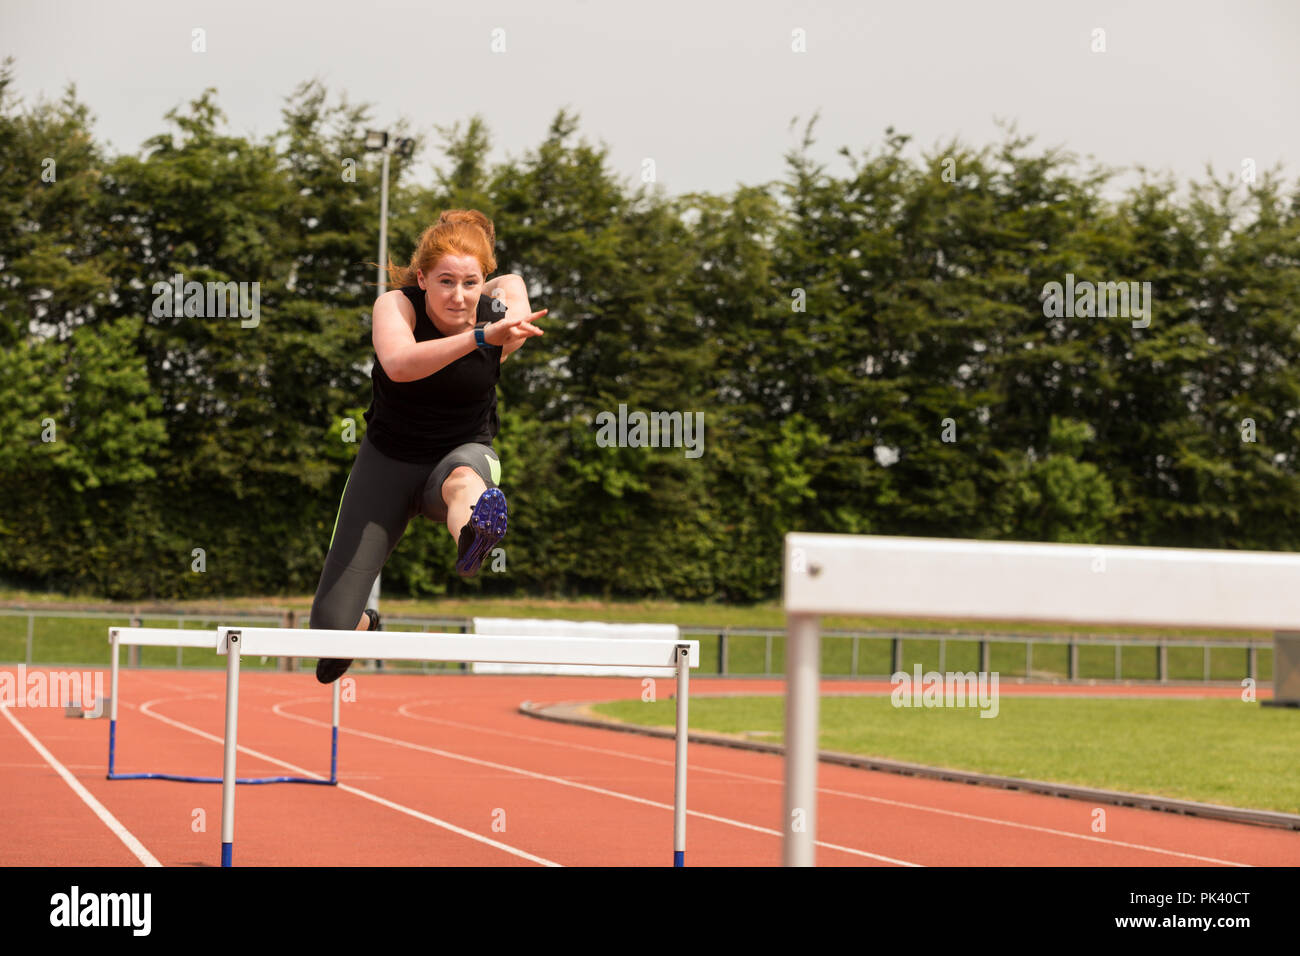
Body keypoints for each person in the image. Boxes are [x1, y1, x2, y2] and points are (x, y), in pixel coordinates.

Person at [309, 209, 545, 683]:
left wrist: (498, 303)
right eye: (444, 282)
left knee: (464, 482)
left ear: (485, 281)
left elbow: (512, 284)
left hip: (461, 454)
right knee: (326, 637)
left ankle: (473, 538)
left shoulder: (499, 313)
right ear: (421, 278)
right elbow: (398, 363)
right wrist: (479, 336)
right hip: (387, 463)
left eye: (470, 283)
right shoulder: (396, 306)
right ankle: (360, 625)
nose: (458, 297)